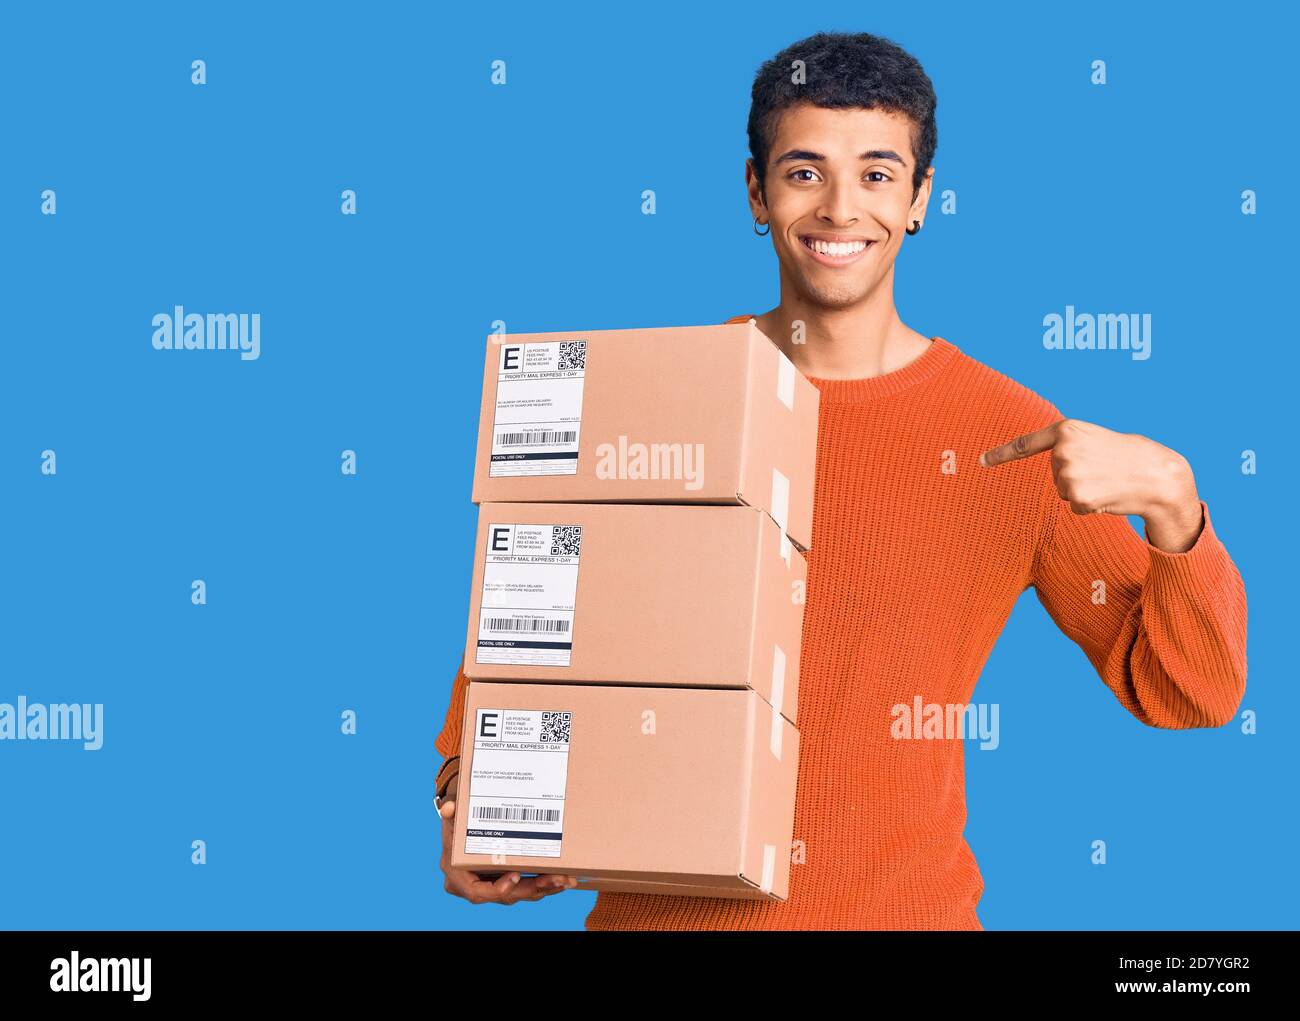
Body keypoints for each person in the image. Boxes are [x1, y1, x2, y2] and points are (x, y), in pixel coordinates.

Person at [435, 30, 1247, 928]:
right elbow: (535, 613)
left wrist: (1175, 500)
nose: (839, 208)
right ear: (756, 192)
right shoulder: (666, 394)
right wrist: (462, 789)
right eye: (804, 171)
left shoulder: (1009, 441)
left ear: (919, 200)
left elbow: (1186, 691)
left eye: (875, 174)